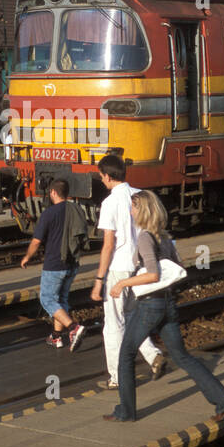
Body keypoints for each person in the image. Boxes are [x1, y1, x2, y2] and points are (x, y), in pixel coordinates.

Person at [104, 190, 224, 423]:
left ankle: (126, 411)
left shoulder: (145, 237)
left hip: (150, 305)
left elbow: (153, 274)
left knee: (126, 354)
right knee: (182, 356)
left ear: (142, 210)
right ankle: (223, 401)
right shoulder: (164, 237)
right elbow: (177, 267)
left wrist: (123, 283)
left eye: (133, 208)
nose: (130, 212)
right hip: (168, 304)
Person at [90, 153, 165, 390]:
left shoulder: (109, 203)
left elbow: (109, 244)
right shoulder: (140, 195)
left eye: (101, 176)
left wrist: (99, 279)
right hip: (140, 267)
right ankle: (153, 356)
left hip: (119, 269)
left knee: (113, 324)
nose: (101, 180)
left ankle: (117, 377)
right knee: (132, 317)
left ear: (108, 176)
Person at [19, 179, 87, 350]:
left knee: (47, 299)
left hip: (55, 264)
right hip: (72, 262)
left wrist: (27, 257)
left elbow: (36, 241)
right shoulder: (76, 209)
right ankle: (56, 337)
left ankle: (74, 328)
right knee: (60, 300)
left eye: (50, 192)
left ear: (54, 193)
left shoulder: (49, 213)